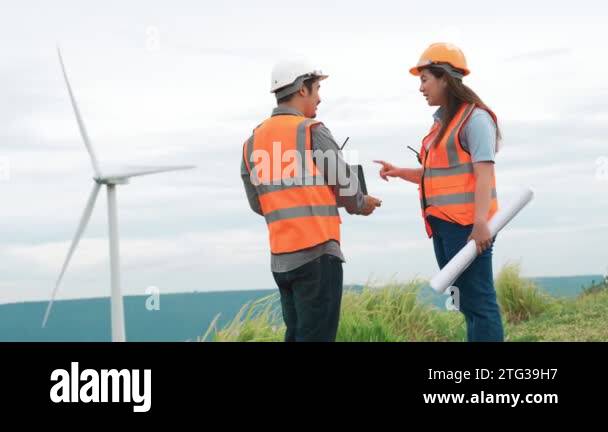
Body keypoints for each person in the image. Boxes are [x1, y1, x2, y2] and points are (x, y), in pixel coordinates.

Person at [241, 59, 382, 342]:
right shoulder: (310, 130)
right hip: (317, 254)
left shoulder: (252, 142)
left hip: (281, 260)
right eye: (316, 88)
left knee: (296, 336)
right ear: (301, 90)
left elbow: (260, 203)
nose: (320, 96)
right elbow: (345, 187)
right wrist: (361, 203)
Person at [374, 43, 504, 342]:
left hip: (468, 228)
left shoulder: (475, 119)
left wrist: (481, 223)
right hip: (444, 227)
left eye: (424, 79)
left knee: (480, 303)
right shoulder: (441, 124)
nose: (421, 88)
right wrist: (399, 171)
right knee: (466, 303)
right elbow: (436, 177)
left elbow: (484, 172)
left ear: (445, 78)